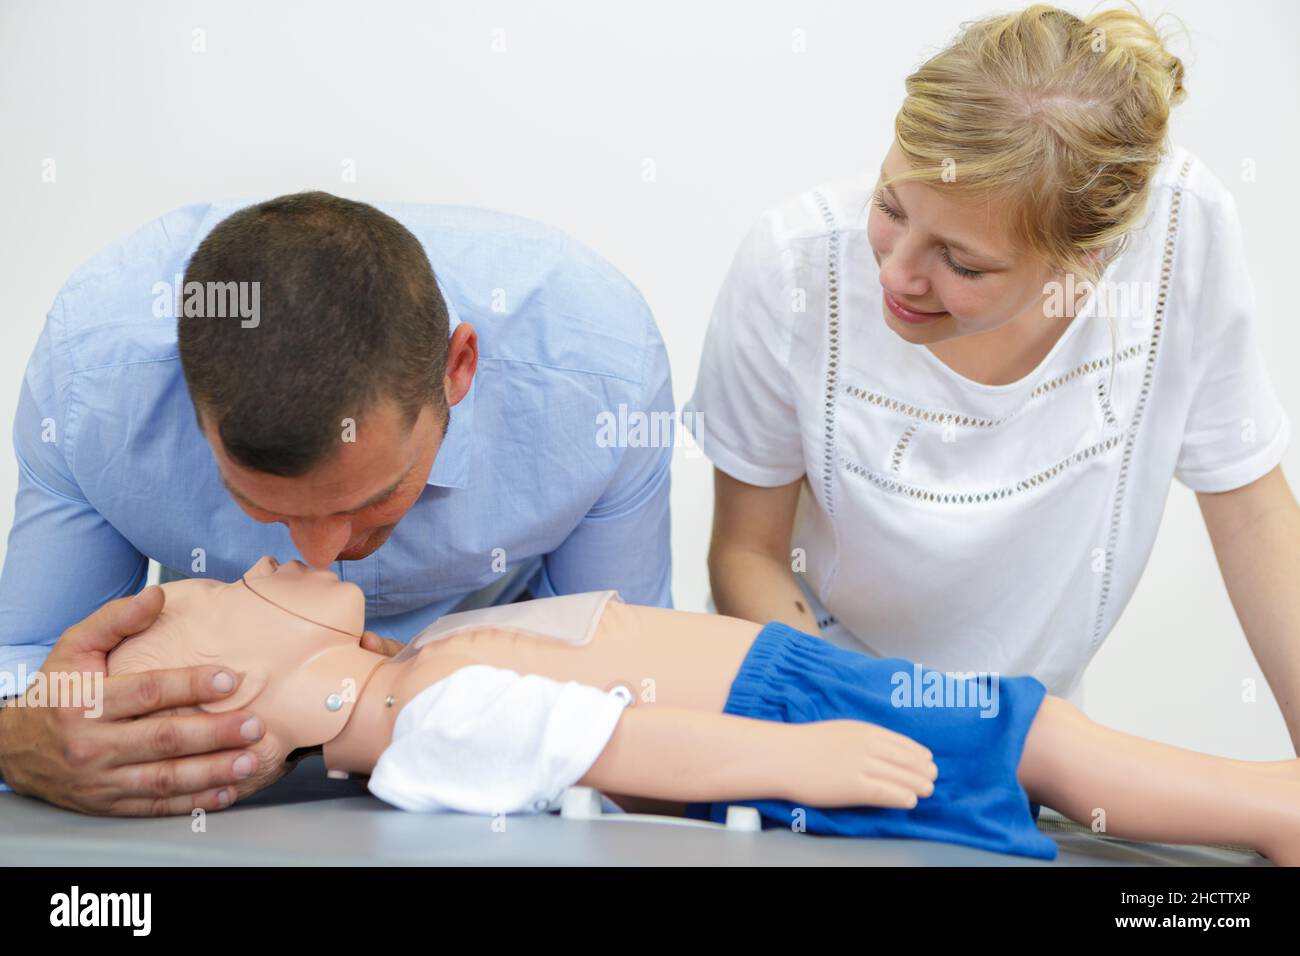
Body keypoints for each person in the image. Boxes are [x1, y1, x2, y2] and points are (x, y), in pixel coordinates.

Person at [686, 6, 1300, 742]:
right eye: (889, 205)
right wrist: (853, 741)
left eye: (961, 262)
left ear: (1091, 261)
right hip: (819, 717)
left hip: (1029, 743)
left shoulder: (1178, 232)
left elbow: (1254, 511)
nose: (897, 271)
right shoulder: (793, 263)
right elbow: (747, 552)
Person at [0, 192, 674, 814]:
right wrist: (18, 742)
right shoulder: (91, 386)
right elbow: (26, 664)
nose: (316, 554)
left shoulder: (596, 379)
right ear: (191, 409)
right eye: (260, 504)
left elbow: (630, 680)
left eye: (376, 498)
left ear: (458, 369)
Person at [101, 558, 1300, 863]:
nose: (261, 563)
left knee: (1029, 739)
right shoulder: (435, 715)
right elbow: (623, 737)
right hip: (779, 712)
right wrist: (797, 752)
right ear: (251, 696)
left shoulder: (419, 671)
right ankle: (1263, 808)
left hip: (787, 687)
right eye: (231, 593)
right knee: (1031, 738)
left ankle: (1254, 803)